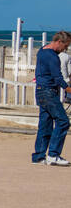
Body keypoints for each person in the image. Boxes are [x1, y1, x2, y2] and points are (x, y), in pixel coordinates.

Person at [33, 31, 71, 165]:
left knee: (45, 124)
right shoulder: (53, 57)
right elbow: (58, 78)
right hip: (48, 92)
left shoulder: (42, 50)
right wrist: (69, 89)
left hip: (40, 91)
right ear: (59, 42)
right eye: (65, 46)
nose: (65, 49)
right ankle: (53, 155)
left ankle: (39, 156)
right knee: (63, 121)